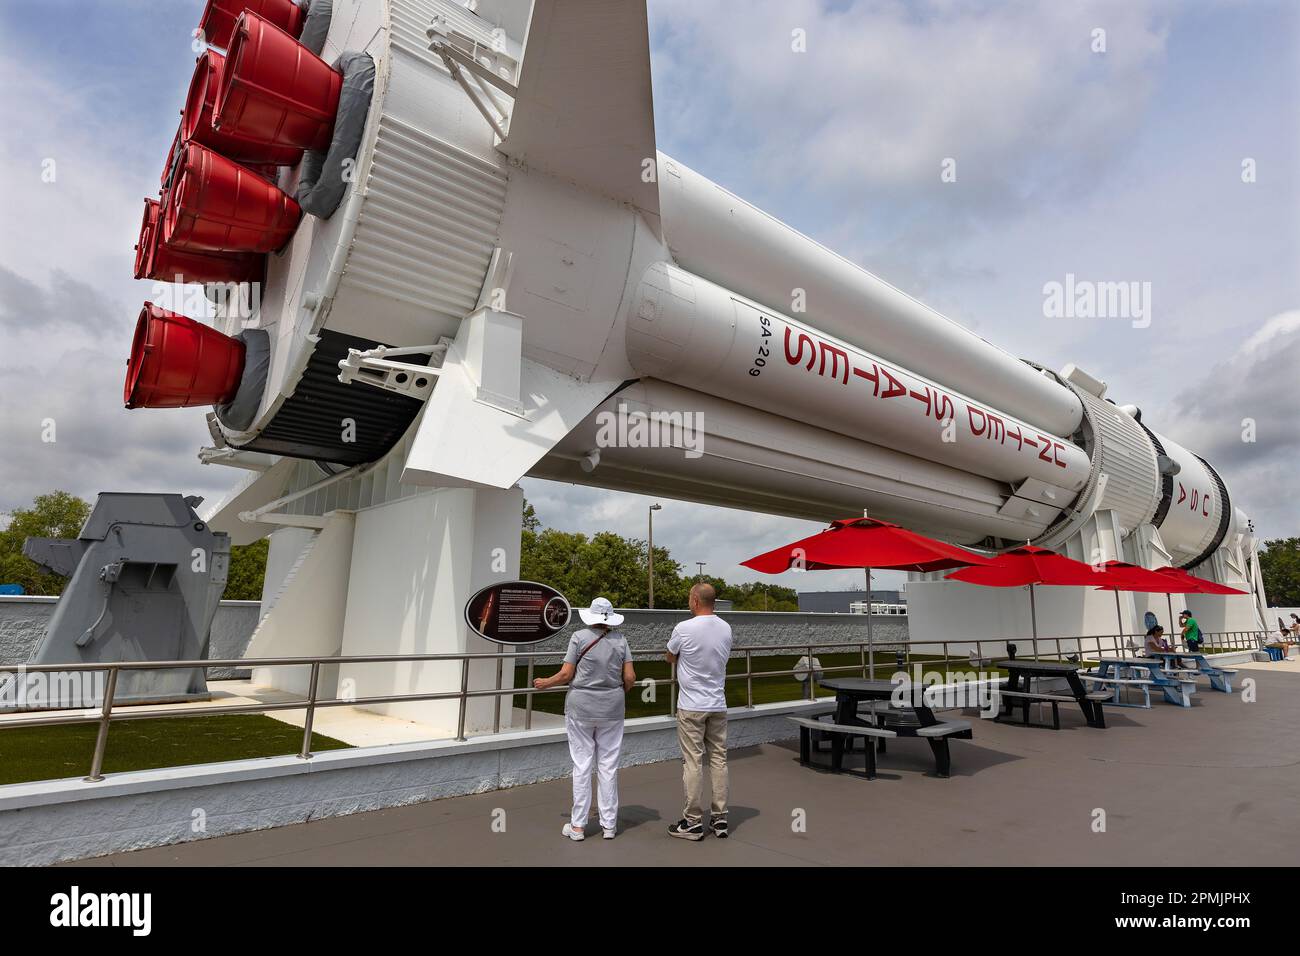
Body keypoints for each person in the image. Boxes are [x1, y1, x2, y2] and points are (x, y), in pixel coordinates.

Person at [534, 597, 635, 842]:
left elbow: (567, 673)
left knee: (582, 764)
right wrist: (617, 693)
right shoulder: (620, 640)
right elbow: (630, 676)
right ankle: (609, 826)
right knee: (608, 766)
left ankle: (578, 826)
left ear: (591, 616)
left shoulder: (578, 637)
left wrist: (545, 683)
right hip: (612, 708)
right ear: (609, 619)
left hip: (581, 708)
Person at [666, 582, 733, 841]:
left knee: (692, 761)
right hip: (717, 704)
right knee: (719, 759)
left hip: (691, 706)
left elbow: (670, 656)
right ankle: (720, 818)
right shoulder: (726, 628)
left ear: (695, 600)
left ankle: (693, 821)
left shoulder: (683, 628)